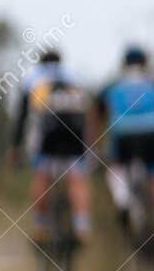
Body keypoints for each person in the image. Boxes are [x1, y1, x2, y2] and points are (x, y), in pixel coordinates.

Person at [94, 46, 154, 271]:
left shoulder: (113, 84)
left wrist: (97, 145)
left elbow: (98, 111)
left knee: (116, 169)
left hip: (122, 135)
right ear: (145, 63)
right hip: (153, 135)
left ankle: (123, 201)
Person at [12, 50, 94, 244]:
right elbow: (87, 112)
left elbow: (22, 118)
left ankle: (40, 225)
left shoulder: (33, 78)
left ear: (40, 63)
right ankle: (82, 226)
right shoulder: (74, 76)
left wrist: (15, 148)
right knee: (77, 180)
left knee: (42, 176)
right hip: (75, 132)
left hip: (48, 133)